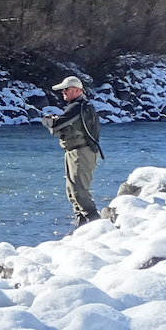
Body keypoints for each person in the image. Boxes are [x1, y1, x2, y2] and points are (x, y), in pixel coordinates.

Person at [45, 75, 103, 227]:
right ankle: (81, 226)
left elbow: (57, 124)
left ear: (77, 90)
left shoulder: (78, 106)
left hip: (81, 153)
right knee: (73, 193)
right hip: (75, 152)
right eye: (63, 89)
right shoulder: (82, 106)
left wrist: (46, 120)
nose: (63, 92)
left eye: (66, 89)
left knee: (79, 192)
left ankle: (97, 225)